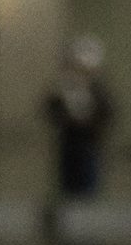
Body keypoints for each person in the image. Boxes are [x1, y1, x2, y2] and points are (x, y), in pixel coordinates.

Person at [44, 35, 113, 200]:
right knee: (69, 186)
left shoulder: (98, 91)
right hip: (69, 144)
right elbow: (51, 108)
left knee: (87, 186)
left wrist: (90, 123)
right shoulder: (63, 90)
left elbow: (107, 112)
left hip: (89, 145)